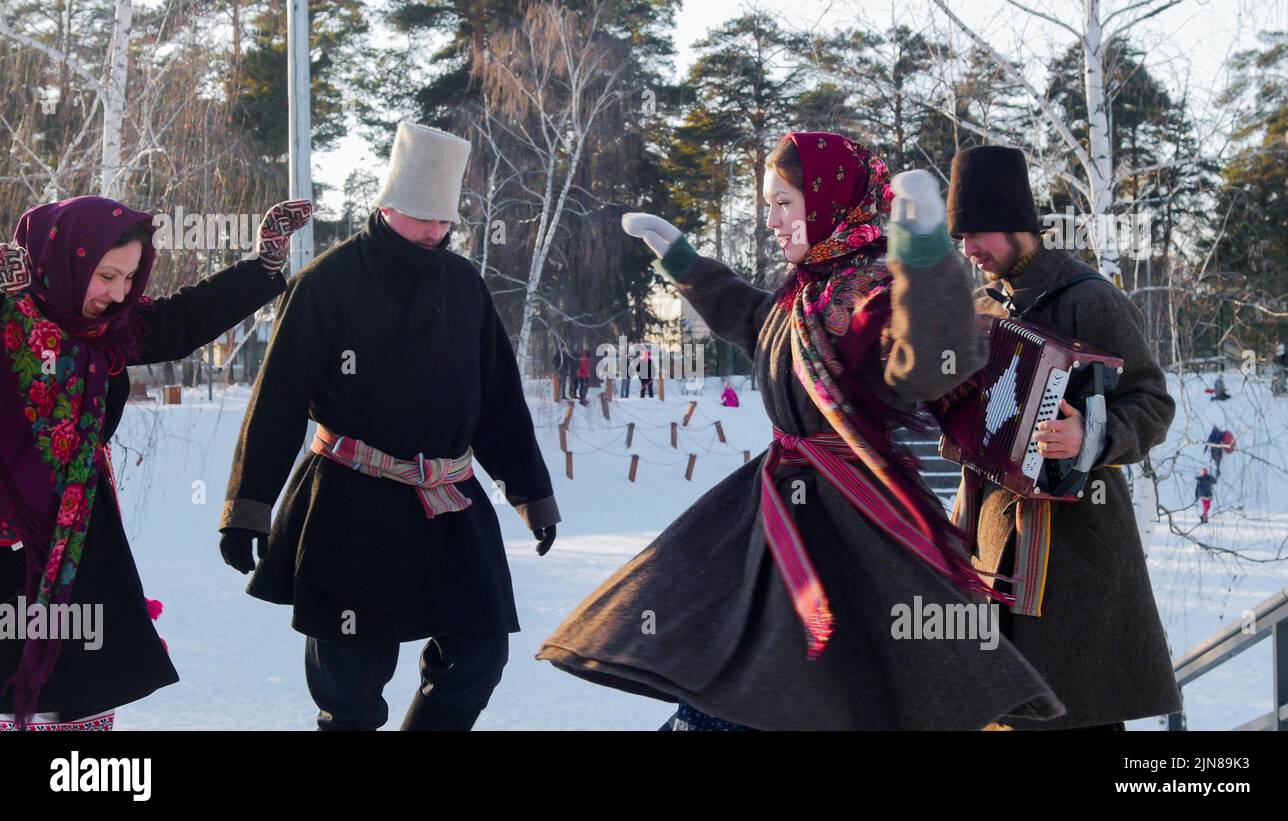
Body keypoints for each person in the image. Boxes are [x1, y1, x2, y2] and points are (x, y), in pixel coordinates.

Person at [537, 132, 1063, 730]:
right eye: (768, 205)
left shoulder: (873, 293)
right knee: (740, 675)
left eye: (783, 204)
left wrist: (925, 253)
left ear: (830, 200)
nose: (771, 221)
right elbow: (756, 320)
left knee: (767, 691)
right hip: (778, 509)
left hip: (844, 526)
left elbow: (933, 360)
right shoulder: (812, 291)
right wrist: (683, 261)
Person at [217, 122, 560, 732]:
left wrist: (532, 493)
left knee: (479, 656)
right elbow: (277, 401)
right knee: (349, 686)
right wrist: (248, 507)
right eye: (421, 217)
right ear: (387, 202)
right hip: (352, 508)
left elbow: (500, 402)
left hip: (447, 504)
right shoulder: (326, 283)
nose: (434, 233)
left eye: (444, 221)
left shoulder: (464, 287)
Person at [0, 194, 310, 730]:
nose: (118, 293)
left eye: (129, 276)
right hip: (10, 537)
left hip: (84, 535)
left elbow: (184, 318)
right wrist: (11, 308)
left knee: (84, 693)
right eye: (106, 275)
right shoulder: (10, 318)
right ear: (63, 261)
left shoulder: (110, 331)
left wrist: (263, 266)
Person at [948, 145, 1179, 730]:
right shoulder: (981, 306)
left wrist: (1090, 433)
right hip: (994, 538)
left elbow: (1152, 401)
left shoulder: (1091, 298)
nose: (969, 250)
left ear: (1017, 225)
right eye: (961, 237)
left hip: (1079, 556)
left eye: (976, 234)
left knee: (1081, 713)